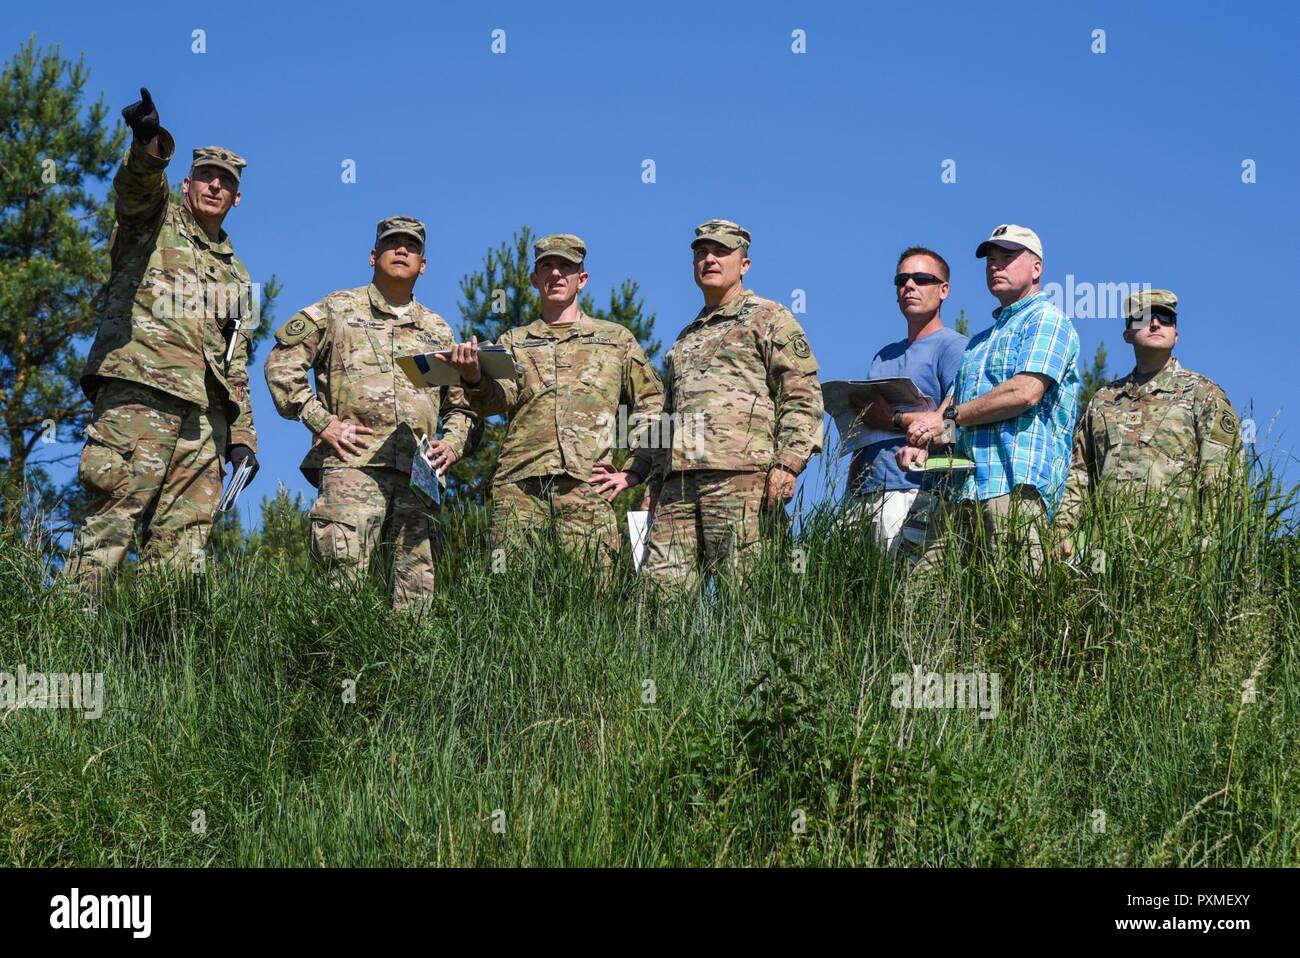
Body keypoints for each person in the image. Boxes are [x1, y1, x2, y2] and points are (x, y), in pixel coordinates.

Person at [63, 88, 259, 588]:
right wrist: (148, 143)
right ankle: (63, 642)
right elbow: (137, 187)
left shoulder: (239, 277)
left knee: (182, 552)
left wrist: (241, 439)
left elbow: (237, 362)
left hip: (203, 422)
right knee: (111, 522)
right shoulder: (154, 219)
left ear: (238, 197)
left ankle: (158, 663)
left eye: (227, 182)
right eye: (207, 177)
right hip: (139, 395)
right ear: (188, 183)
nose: (215, 186)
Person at [263, 216, 478, 610]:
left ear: (423, 265)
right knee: (340, 586)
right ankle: (332, 670)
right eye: (392, 243)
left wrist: (453, 445)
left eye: (411, 246)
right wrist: (321, 422)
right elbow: (281, 365)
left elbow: (461, 405)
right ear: (373, 255)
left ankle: (407, 671)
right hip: (352, 466)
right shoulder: (337, 309)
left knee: (415, 596)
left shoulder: (438, 329)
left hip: (419, 475)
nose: (401, 250)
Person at [444, 234, 663, 565]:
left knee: (591, 595)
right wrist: (473, 377)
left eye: (566, 267)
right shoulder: (514, 341)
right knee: (512, 592)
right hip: (518, 487)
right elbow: (495, 400)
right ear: (534, 279)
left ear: (582, 279)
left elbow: (652, 404)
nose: (556, 274)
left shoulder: (615, 340)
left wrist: (636, 468)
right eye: (547, 267)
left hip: (588, 485)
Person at [641, 220, 824, 590]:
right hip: (677, 489)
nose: (709, 258)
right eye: (701, 252)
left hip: (743, 480)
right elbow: (669, 416)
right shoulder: (685, 339)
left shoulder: (769, 317)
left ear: (744, 264)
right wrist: (655, 482)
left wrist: (788, 463)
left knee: (747, 599)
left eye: (721, 251)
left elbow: (801, 393)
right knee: (660, 602)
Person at [898, 224, 1080, 573]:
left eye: (1008, 257)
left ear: (1037, 268)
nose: (996, 265)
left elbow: (1025, 392)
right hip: (960, 490)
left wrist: (949, 417)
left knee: (1014, 602)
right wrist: (926, 442)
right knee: (920, 599)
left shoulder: (1048, 320)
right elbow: (950, 420)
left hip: (1016, 488)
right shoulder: (979, 343)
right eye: (990, 260)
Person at [1057, 289, 1243, 554]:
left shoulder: (1202, 394)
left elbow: (1222, 479)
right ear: (1127, 334)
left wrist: (1208, 547)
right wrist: (1064, 535)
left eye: (1166, 318)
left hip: (1178, 557)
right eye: (1143, 318)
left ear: (1176, 335)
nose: (1155, 323)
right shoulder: (1103, 401)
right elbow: (1078, 476)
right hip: (1107, 555)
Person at [844, 246, 966, 558]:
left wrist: (893, 419)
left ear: (944, 290)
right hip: (865, 494)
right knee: (860, 600)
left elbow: (954, 422)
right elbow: (866, 428)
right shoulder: (883, 355)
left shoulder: (953, 347)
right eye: (902, 280)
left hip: (915, 490)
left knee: (904, 596)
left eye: (921, 278)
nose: (909, 286)